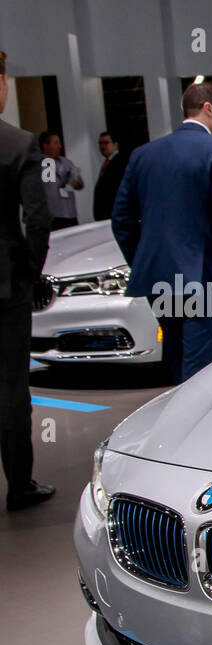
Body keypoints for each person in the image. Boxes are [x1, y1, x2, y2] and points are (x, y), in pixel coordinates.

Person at [111, 82, 212, 383]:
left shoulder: (144, 154)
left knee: (179, 365)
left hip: (161, 280)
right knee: (204, 373)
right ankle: (197, 430)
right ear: (208, 108)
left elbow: (122, 221)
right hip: (207, 279)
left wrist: (146, 262)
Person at [0, 51, 55, 511]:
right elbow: (37, 221)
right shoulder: (17, 144)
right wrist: (30, 274)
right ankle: (19, 484)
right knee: (11, 387)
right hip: (5, 287)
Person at [38, 131, 82, 230]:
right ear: (45, 145)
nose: (60, 146)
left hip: (70, 212)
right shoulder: (40, 164)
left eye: (59, 143)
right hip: (53, 215)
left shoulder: (67, 162)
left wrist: (75, 183)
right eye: (56, 143)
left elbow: (80, 183)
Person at [92, 130, 128, 221]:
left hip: (114, 213)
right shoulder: (107, 163)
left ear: (115, 144)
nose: (102, 146)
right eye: (100, 143)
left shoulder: (120, 162)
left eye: (106, 143)